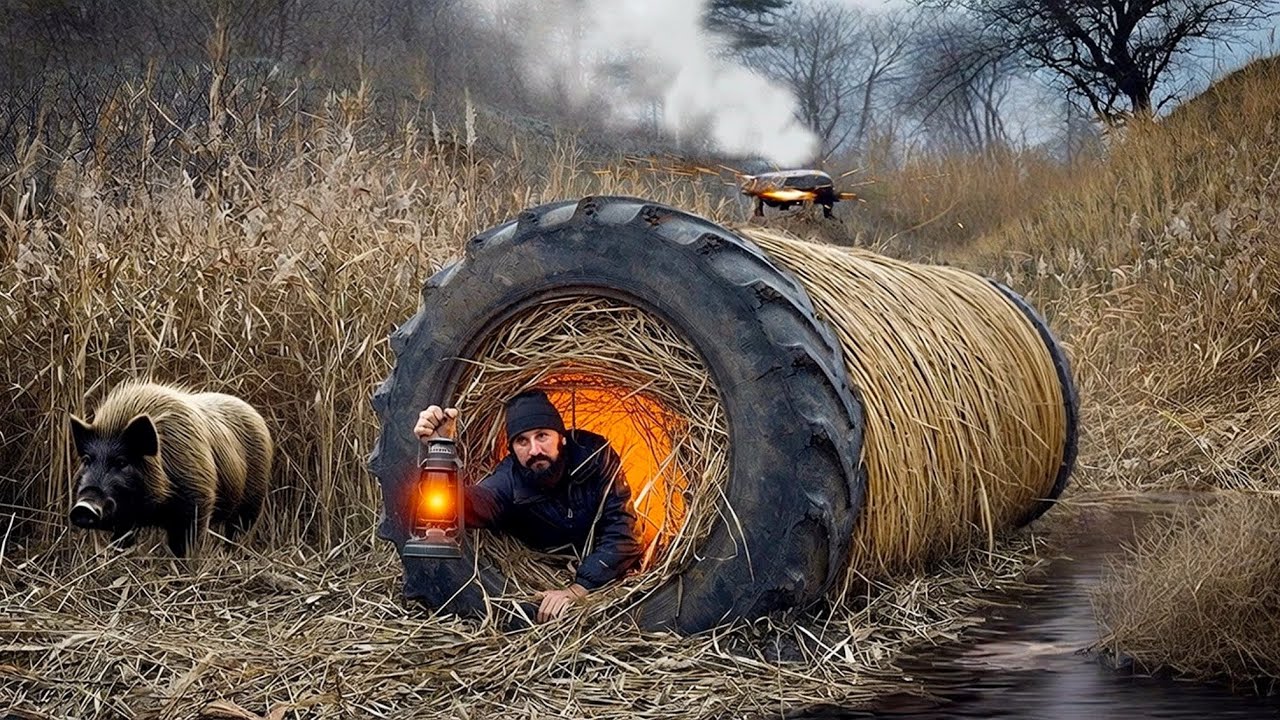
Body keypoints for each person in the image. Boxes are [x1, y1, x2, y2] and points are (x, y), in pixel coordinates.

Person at [413, 389, 644, 623]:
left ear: (561, 437)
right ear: (512, 450)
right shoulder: (508, 481)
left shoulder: (594, 457)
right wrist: (438, 452)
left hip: (609, 574)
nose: (534, 450)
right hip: (544, 565)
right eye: (522, 441)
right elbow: (458, 506)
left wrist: (579, 588)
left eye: (542, 435)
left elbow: (622, 531)